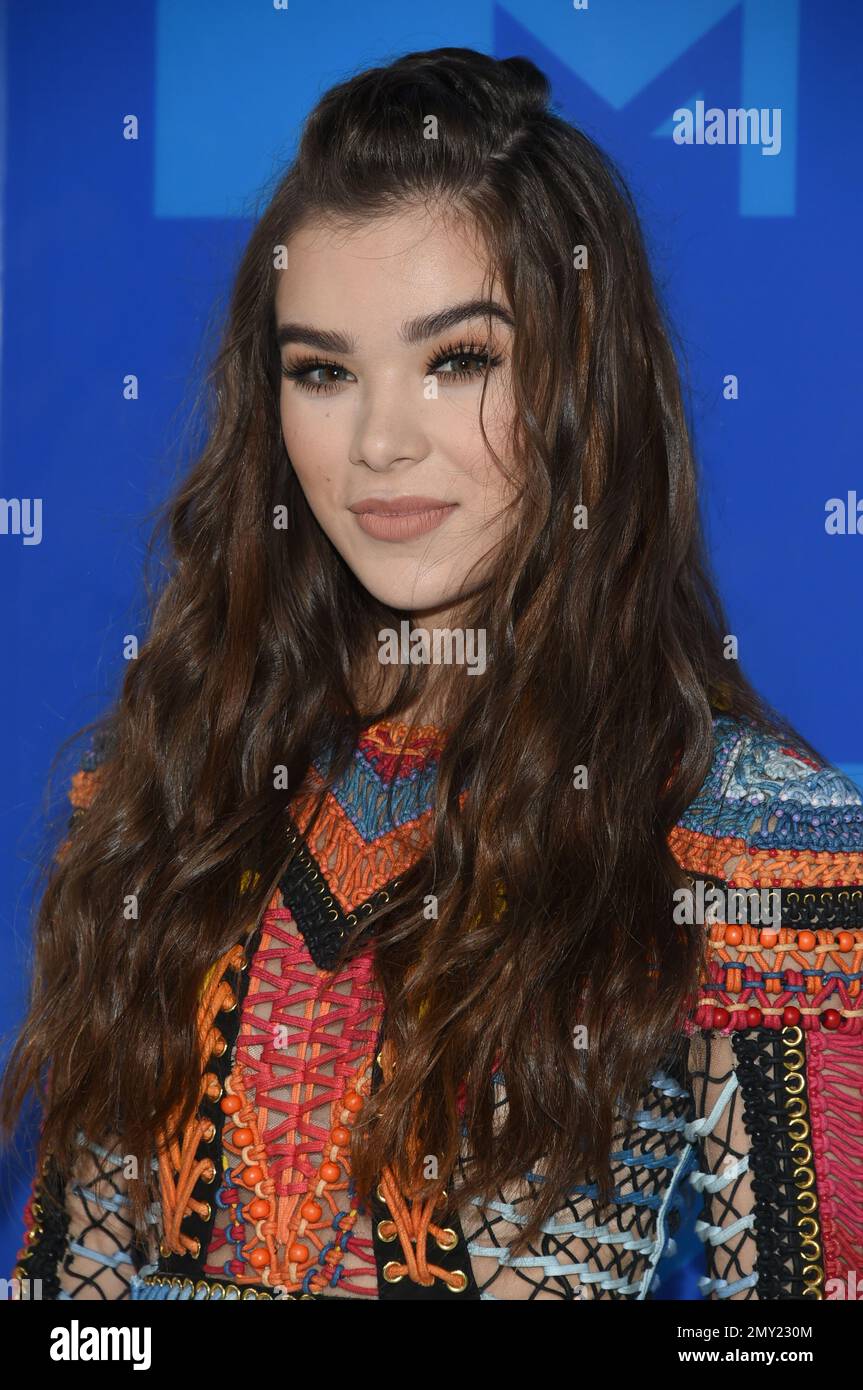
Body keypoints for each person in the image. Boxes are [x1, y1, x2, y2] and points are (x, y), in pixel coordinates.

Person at [3, 46, 861, 1303]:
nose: (380, 442)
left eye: (457, 357)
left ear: (583, 378)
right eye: (323, 371)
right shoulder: (167, 791)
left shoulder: (753, 842)